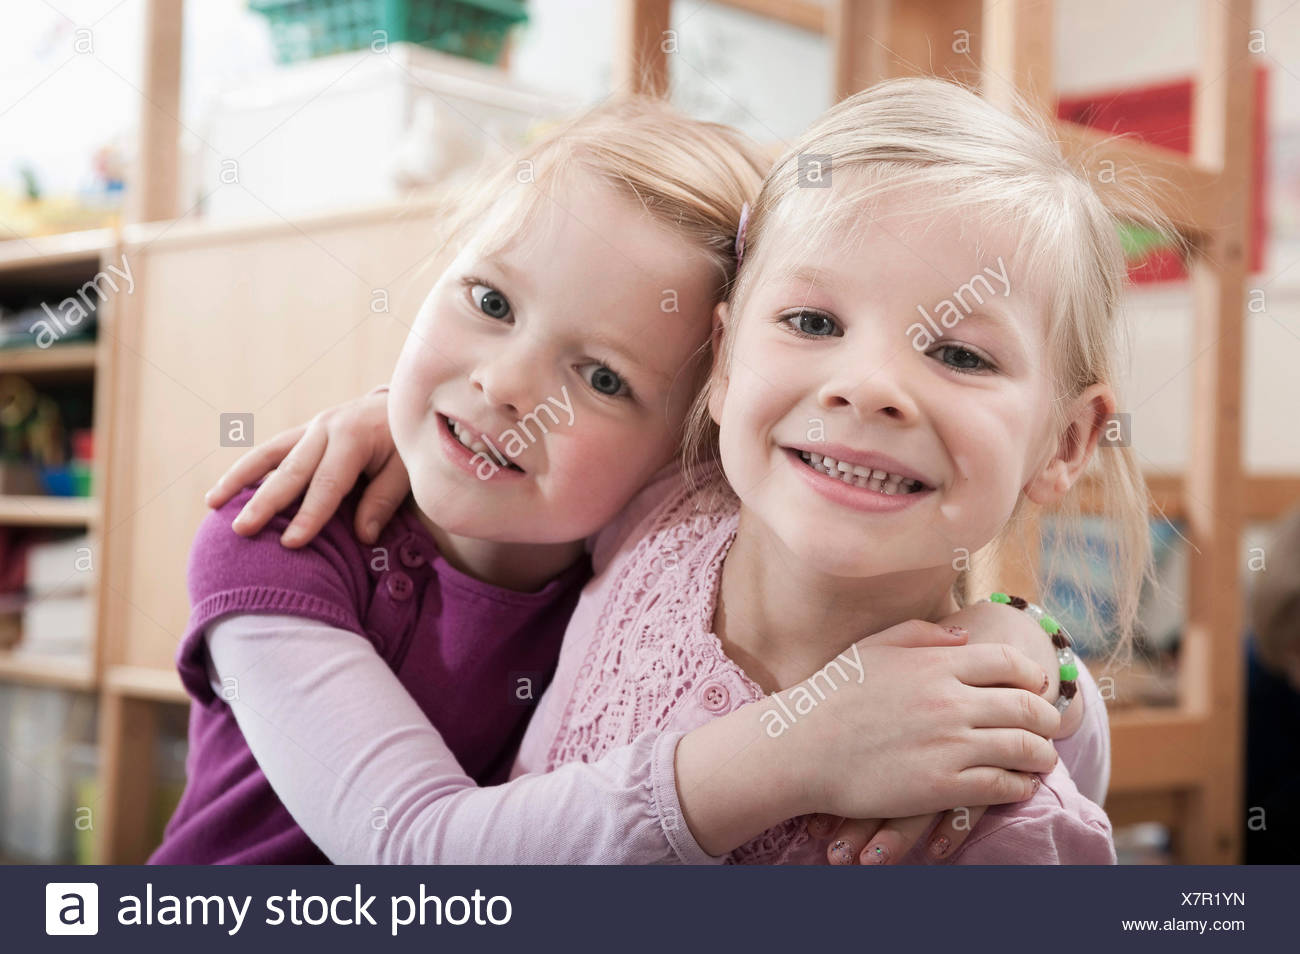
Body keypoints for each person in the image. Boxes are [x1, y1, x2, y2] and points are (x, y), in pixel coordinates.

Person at [194, 79, 1141, 865]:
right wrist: (804, 745)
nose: (506, 387)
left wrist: (1029, 658)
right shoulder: (281, 537)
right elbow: (413, 852)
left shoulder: (654, 499)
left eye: (603, 377)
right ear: (726, 373)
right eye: (487, 300)